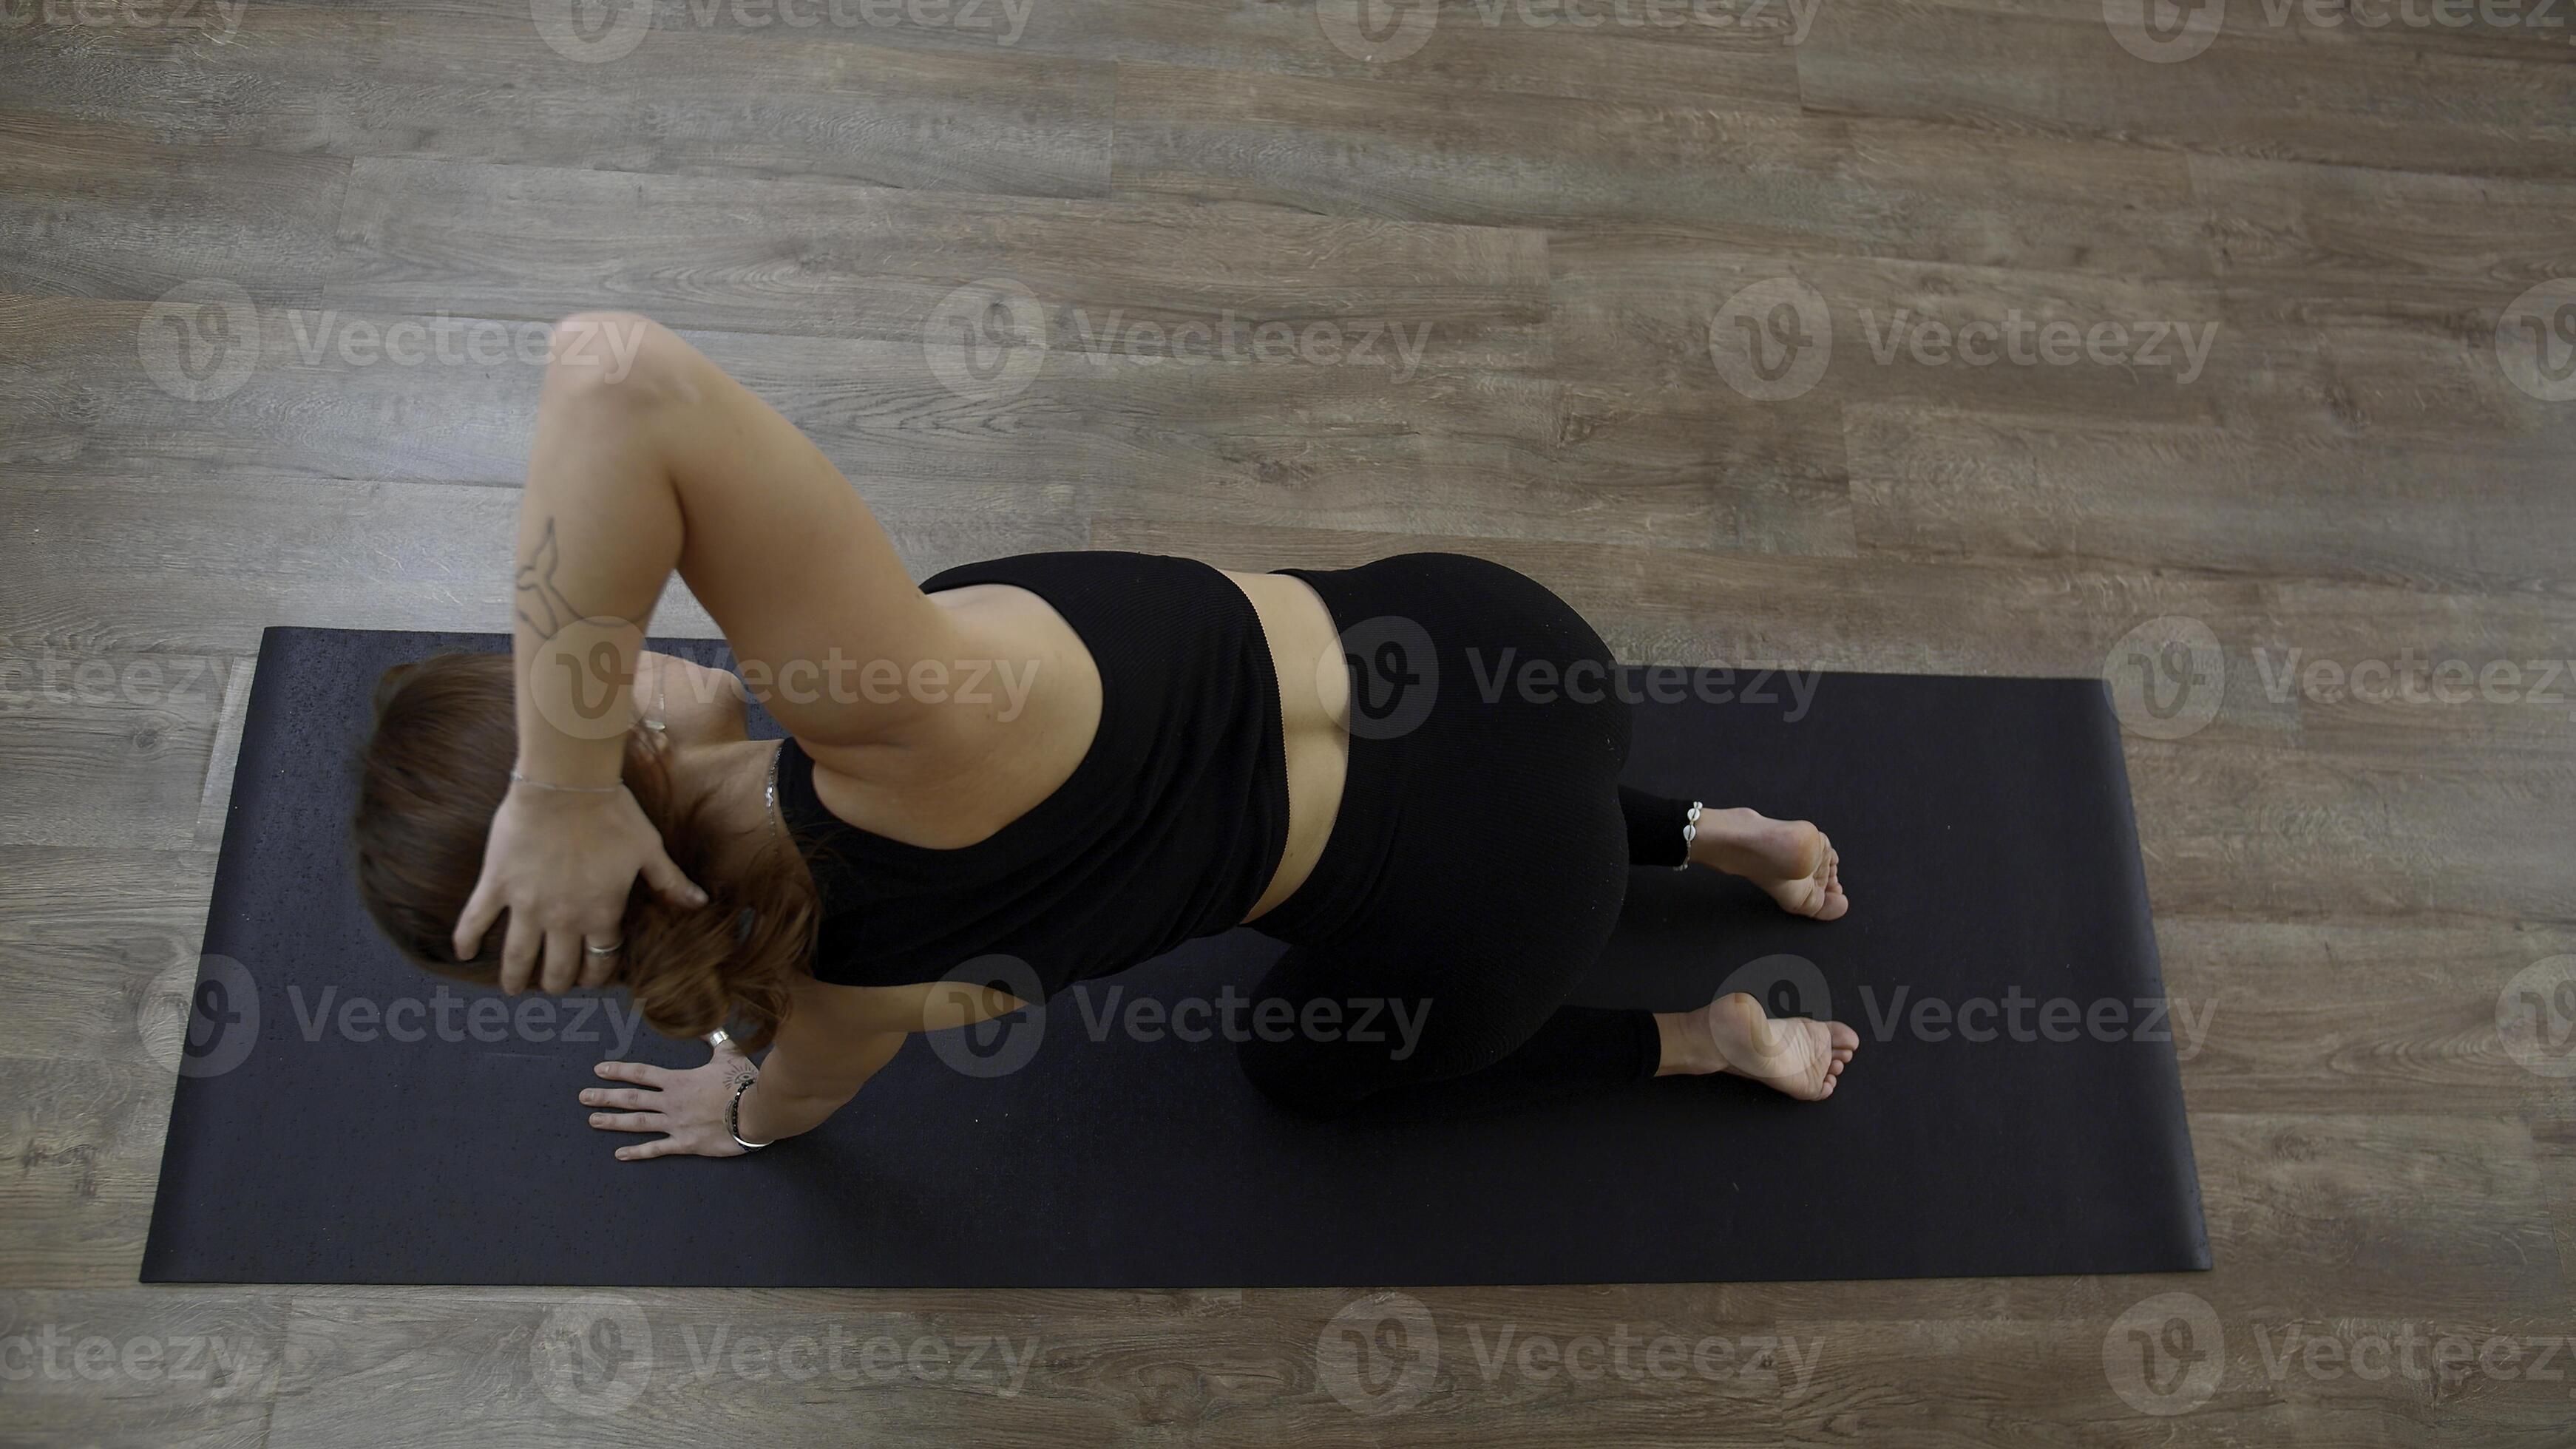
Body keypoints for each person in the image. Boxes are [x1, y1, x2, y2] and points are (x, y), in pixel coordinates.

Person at [351, 313, 1857, 1161]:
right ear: (632, 768)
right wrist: (553, 781)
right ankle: (1722, 838)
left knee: (1314, 1061)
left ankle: (1693, 1035)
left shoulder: (823, 993)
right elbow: (616, 378)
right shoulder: (874, 704)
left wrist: (735, 1106)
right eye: (570, 676)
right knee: (1426, 862)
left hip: (1511, 899)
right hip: (1510, 647)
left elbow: (786, 1095)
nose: (608, 636)